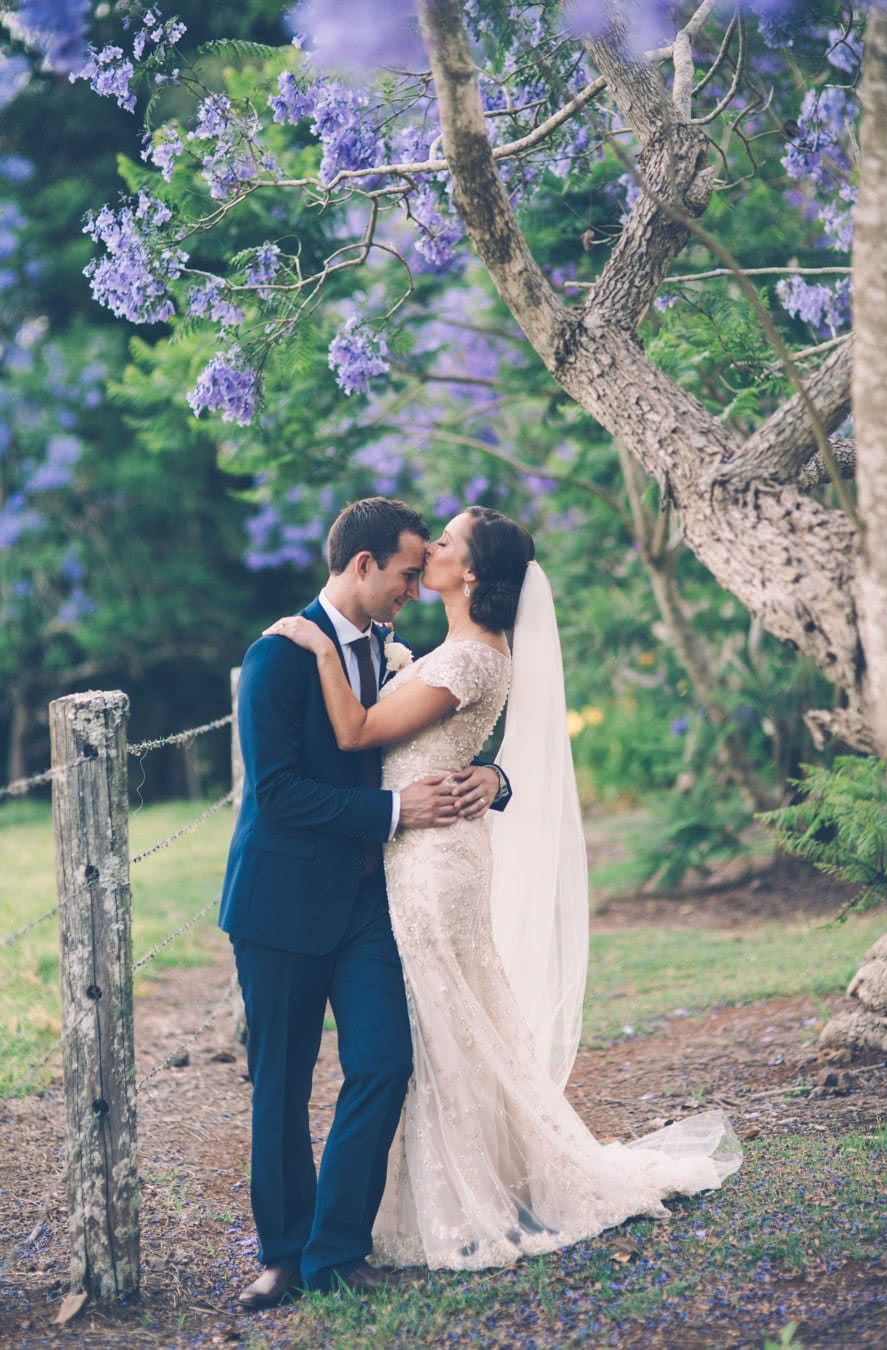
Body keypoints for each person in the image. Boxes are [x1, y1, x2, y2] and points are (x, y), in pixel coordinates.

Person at [266, 505, 742, 1273]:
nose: (428, 557)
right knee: (444, 1020)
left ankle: (471, 1188)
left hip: (432, 860)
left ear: (473, 574)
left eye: (444, 547)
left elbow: (357, 733)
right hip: (418, 850)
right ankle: (454, 1182)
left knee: (442, 1020)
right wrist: (485, 768)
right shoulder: (453, 651)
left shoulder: (471, 660)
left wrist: (320, 646)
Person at [220, 497, 511, 1308]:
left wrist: (496, 778)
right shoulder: (278, 655)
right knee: (279, 1085)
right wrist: (392, 814)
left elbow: (461, 725)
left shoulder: (395, 653)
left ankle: (335, 1250)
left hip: (369, 906)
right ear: (363, 566)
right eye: (408, 573)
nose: (414, 588)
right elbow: (276, 795)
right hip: (279, 905)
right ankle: (282, 1254)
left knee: (383, 1062)